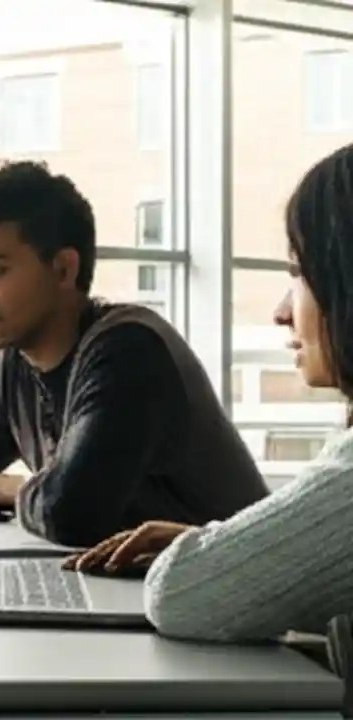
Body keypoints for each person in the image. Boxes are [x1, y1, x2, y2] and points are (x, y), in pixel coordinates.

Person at [67, 143, 353, 642]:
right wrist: (229, 550)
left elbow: (180, 597)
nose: (283, 311)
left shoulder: (124, 346)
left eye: (298, 273)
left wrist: (213, 558)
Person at [0, 161, 268, 547]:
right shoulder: (10, 366)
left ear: (63, 269)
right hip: (132, 588)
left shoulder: (130, 349)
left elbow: (71, 515)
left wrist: (12, 489)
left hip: (225, 591)